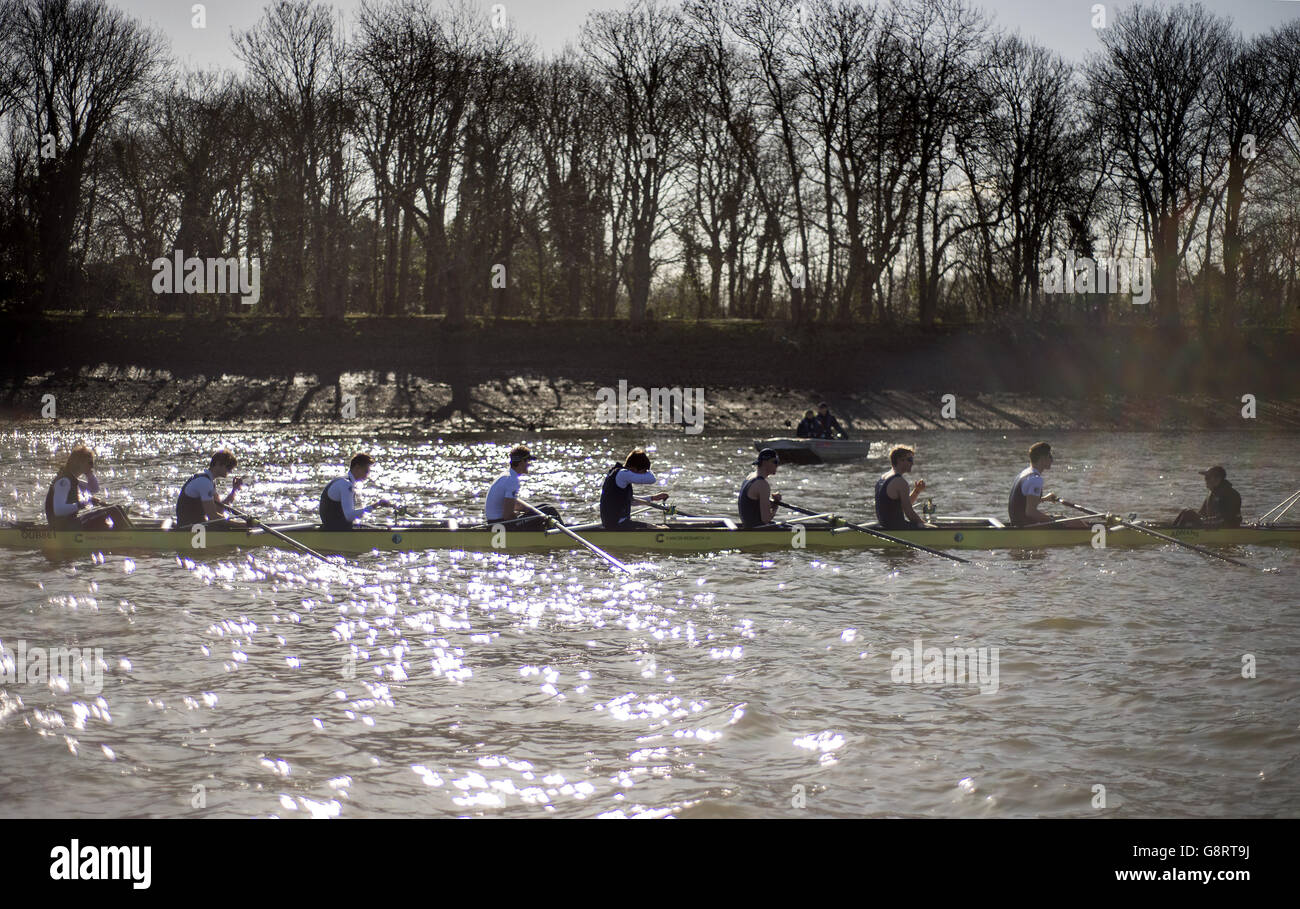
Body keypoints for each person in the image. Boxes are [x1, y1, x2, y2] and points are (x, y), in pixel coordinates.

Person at [44, 445, 132, 531]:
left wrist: (89, 473)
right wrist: (84, 503)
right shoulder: (64, 481)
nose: (92, 466)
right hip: (63, 527)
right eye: (90, 463)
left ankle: (129, 532)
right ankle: (131, 537)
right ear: (79, 462)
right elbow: (58, 510)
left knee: (117, 508)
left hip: (70, 523)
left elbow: (94, 489)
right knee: (113, 511)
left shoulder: (73, 480)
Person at [1007, 441, 1087, 528]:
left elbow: (1024, 502)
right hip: (1026, 525)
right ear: (1042, 459)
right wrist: (1056, 522)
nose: (1052, 460)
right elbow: (1030, 512)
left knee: (1068, 520)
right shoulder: (1036, 479)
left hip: (1018, 522)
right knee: (1076, 524)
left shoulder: (1025, 473)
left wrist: (1044, 499)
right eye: (1050, 456)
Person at [485, 446, 560, 530]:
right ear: (521, 462)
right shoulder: (512, 480)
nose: (529, 464)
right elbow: (507, 515)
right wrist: (520, 517)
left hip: (494, 523)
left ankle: (551, 531)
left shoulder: (505, 475)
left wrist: (527, 511)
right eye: (528, 461)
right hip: (502, 526)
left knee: (544, 507)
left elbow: (509, 504)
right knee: (549, 510)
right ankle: (562, 536)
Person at [599, 448, 669, 530]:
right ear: (633, 469)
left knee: (653, 526)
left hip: (617, 522)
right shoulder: (623, 474)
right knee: (656, 528)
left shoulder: (619, 474)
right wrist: (648, 469)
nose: (644, 474)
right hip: (617, 525)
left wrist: (652, 498)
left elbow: (631, 501)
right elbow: (652, 479)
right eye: (643, 471)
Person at [320, 453, 392, 531]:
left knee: (373, 526)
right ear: (357, 468)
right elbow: (349, 516)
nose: (367, 475)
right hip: (336, 530)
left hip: (335, 527)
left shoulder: (343, 480)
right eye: (366, 471)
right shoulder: (346, 485)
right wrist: (375, 506)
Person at [176, 449, 246, 527]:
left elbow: (218, 510)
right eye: (228, 467)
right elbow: (213, 517)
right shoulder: (204, 482)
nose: (230, 471)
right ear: (218, 464)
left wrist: (234, 491)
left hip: (197, 525)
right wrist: (241, 525)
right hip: (187, 528)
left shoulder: (209, 481)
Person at [875, 446, 933, 530]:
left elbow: (901, 506)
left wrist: (916, 491)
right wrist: (926, 526)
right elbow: (909, 512)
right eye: (910, 460)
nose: (912, 463)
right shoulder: (900, 482)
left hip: (885, 526)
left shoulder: (884, 477)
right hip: (897, 529)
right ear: (900, 460)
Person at [1173, 466, 1242, 528]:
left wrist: (1201, 522)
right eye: (1205, 478)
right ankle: (1171, 529)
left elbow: (1225, 518)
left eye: (1207, 478)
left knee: (1188, 513)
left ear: (1218, 479)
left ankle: (1174, 533)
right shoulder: (1212, 493)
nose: (1205, 480)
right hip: (1214, 524)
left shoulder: (1230, 494)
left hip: (1227, 527)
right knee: (1185, 512)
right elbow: (1202, 513)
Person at [739, 448, 783, 527]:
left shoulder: (750, 476)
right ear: (765, 462)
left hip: (748, 526)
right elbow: (766, 519)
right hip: (757, 529)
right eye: (775, 462)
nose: (777, 465)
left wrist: (773, 502)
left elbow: (753, 506)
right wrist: (776, 505)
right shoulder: (762, 484)